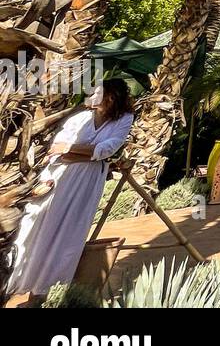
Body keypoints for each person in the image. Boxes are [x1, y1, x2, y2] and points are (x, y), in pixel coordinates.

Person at [5, 79, 135, 301]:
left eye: (99, 93)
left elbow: (107, 150)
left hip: (84, 184)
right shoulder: (80, 118)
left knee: (67, 234)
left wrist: (71, 151)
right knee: (36, 226)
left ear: (111, 98)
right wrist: (84, 153)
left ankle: (44, 292)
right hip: (57, 178)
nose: (92, 95)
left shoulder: (124, 119)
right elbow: (57, 148)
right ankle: (17, 284)